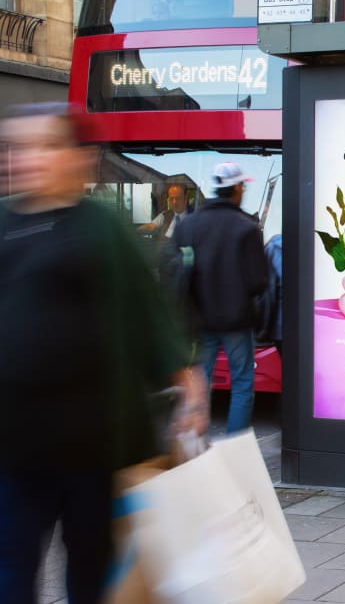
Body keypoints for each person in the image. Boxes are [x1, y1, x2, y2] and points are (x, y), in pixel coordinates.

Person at [0, 102, 207, 604]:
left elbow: (146, 312)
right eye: (16, 148)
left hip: (94, 441)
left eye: (44, 146)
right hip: (13, 441)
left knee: (92, 569)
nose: (26, 159)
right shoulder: (3, 222)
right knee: (10, 566)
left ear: (78, 156)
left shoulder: (101, 226)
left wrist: (188, 385)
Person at [174, 162, 268, 433]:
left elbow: (176, 267)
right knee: (241, 383)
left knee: (201, 381)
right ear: (237, 188)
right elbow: (258, 281)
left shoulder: (190, 225)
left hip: (201, 320)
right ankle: (234, 445)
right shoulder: (247, 227)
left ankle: (192, 439)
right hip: (237, 322)